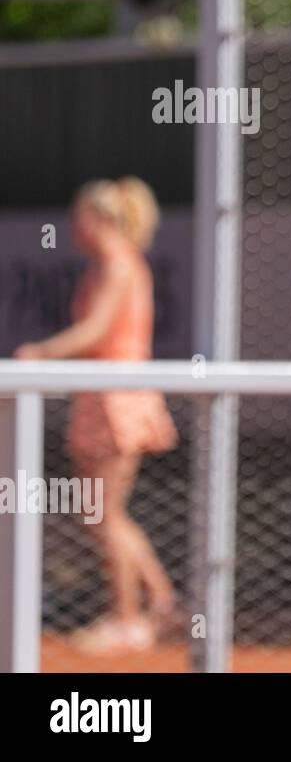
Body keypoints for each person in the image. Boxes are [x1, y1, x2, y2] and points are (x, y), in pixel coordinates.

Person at [14, 177, 179, 656]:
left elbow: (96, 329)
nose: (72, 225)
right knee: (105, 514)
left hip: (115, 399)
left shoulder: (118, 261)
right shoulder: (113, 262)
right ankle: (162, 604)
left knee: (103, 514)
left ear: (100, 218)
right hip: (104, 396)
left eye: (79, 215)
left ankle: (129, 619)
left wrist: (39, 353)